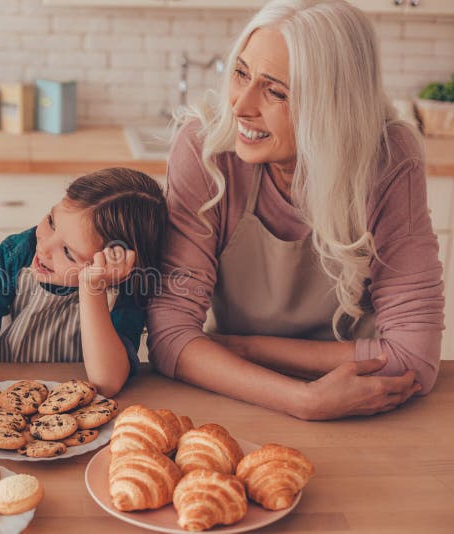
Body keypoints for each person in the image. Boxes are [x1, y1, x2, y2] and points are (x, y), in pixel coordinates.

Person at [146, 0, 444, 420]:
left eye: (276, 91)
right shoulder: (207, 150)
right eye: (241, 73)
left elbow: (415, 360)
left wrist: (238, 347)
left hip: (364, 404)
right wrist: (303, 400)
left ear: (332, 107)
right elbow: (170, 338)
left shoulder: (390, 159)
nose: (240, 105)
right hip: (233, 399)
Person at [0, 168, 168, 425]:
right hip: (10, 408)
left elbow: (107, 382)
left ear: (117, 269)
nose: (45, 247)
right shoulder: (18, 252)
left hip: (75, 420)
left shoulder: (123, 291)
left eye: (69, 253)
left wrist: (92, 288)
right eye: (51, 221)